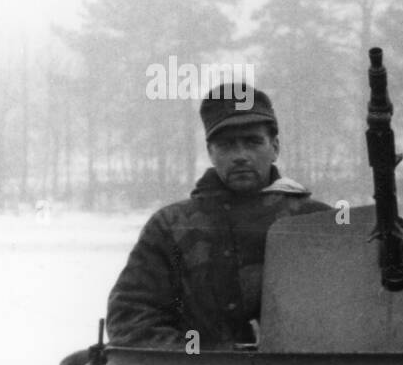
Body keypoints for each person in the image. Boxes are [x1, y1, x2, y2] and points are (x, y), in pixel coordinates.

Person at [106, 84, 331, 348]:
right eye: (226, 145)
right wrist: (203, 357)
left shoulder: (316, 222)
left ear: (275, 147)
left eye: (253, 142)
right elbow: (131, 317)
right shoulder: (171, 227)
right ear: (211, 153)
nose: (240, 156)